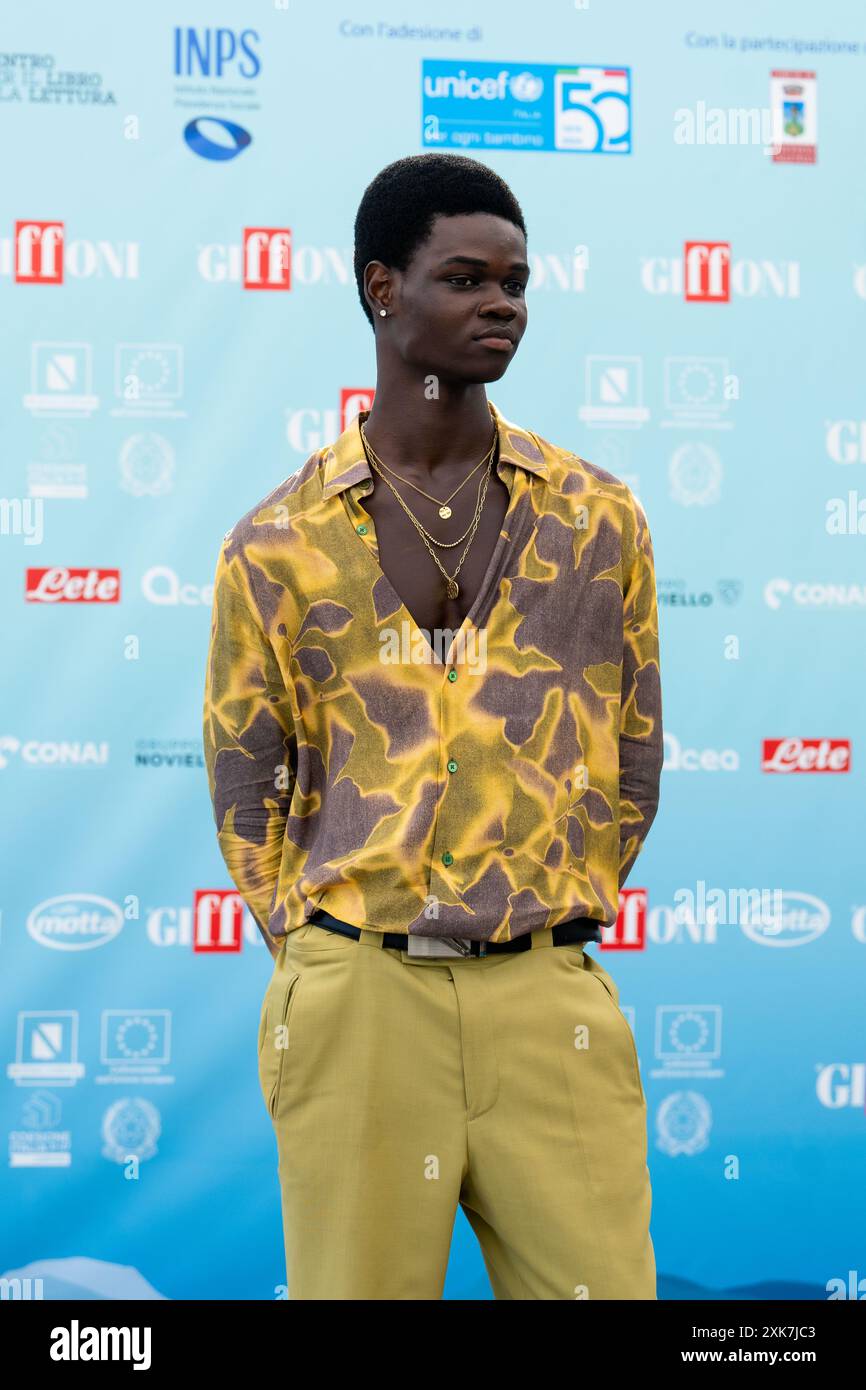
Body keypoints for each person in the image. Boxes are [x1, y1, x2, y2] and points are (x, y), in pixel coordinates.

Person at [202, 152, 663, 1300]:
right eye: (464, 278)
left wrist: (541, 907)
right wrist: (312, 951)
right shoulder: (276, 541)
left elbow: (635, 752)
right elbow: (244, 773)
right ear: (380, 290)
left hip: (545, 994)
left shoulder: (598, 517)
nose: (500, 303)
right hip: (358, 998)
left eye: (515, 282)